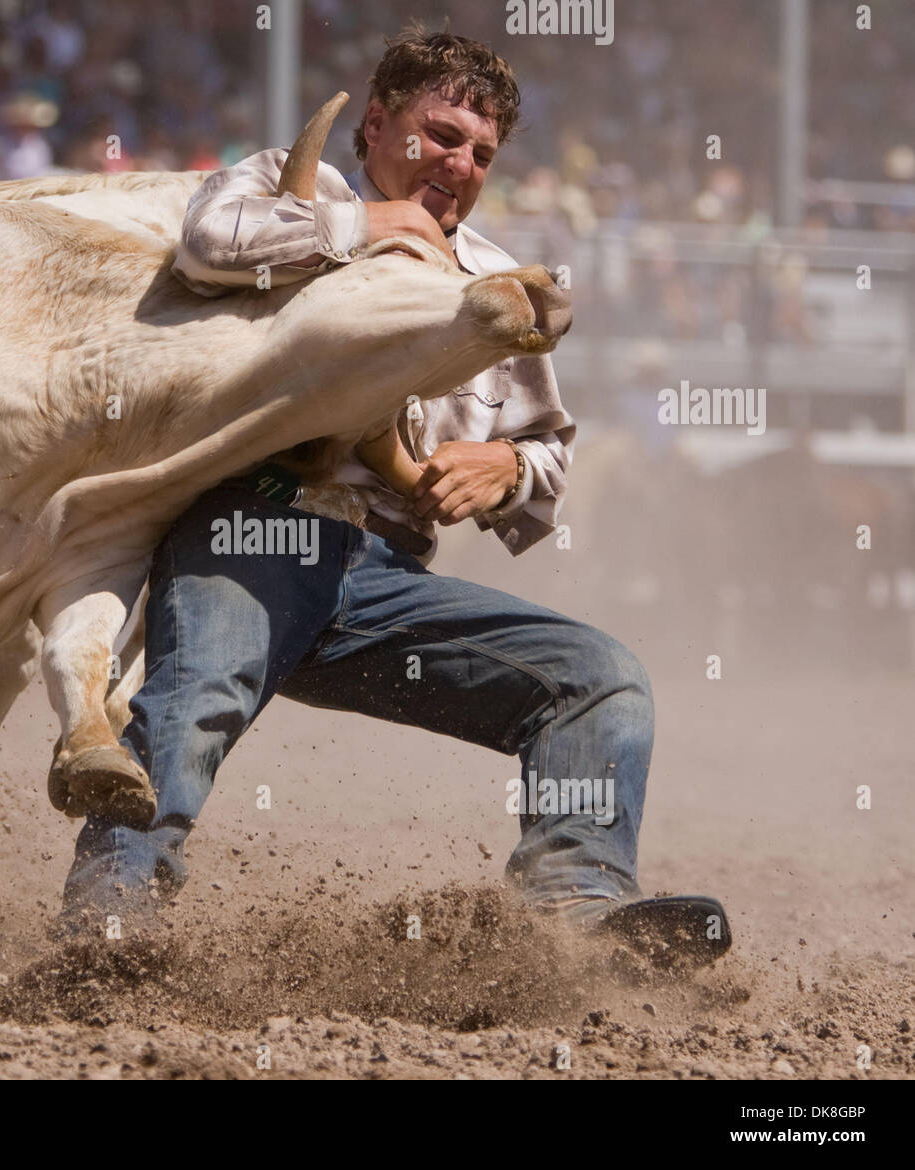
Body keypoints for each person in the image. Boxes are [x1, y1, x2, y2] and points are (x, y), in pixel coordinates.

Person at [60, 28, 731, 965]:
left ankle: (573, 911)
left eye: (482, 153)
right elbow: (207, 246)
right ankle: (107, 926)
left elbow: (548, 455)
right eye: (441, 134)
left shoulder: (496, 290)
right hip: (256, 529)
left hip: (382, 580)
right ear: (375, 125)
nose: (460, 164)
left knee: (600, 680)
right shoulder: (298, 193)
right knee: (193, 701)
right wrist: (364, 229)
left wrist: (506, 472)